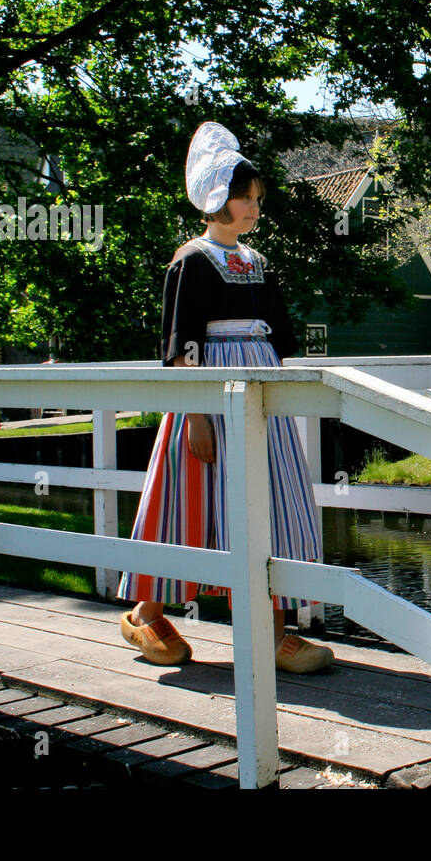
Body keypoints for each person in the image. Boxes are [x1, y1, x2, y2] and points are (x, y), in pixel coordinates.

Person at [116, 120, 334, 674]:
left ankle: (272, 633)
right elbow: (182, 347)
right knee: (188, 503)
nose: (254, 207)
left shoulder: (258, 263)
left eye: (257, 198)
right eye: (244, 197)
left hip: (261, 396)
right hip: (211, 392)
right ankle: (146, 612)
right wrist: (196, 416)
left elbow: (279, 342)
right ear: (217, 198)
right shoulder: (192, 260)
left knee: (273, 502)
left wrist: (287, 398)